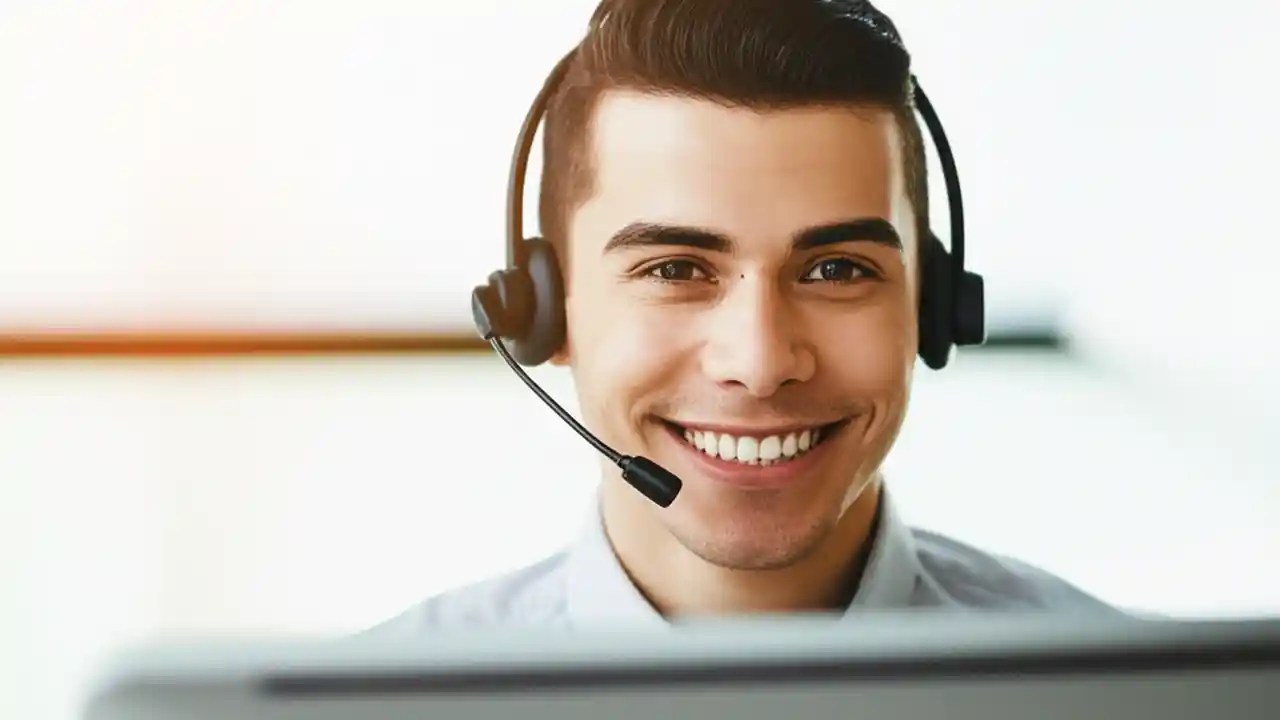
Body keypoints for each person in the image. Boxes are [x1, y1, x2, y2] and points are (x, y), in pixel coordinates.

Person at [375, 0, 1111, 631]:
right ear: (543, 312)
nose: (759, 364)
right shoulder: (383, 700)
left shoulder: (1137, 693)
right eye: (675, 270)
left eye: (837, 270)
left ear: (932, 305)